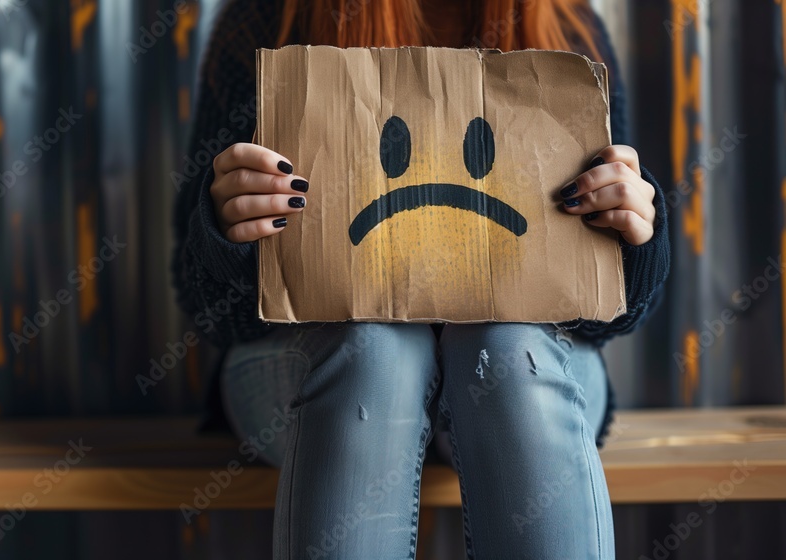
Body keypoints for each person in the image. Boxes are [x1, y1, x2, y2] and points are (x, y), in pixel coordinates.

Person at [172, 0, 670, 557]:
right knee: (374, 353)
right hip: (312, 358)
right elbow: (207, 309)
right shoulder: (270, 19)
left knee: (507, 349)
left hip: (517, 365)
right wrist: (226, 232)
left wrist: (632, 235)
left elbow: (607, 323)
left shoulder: (568, 27)